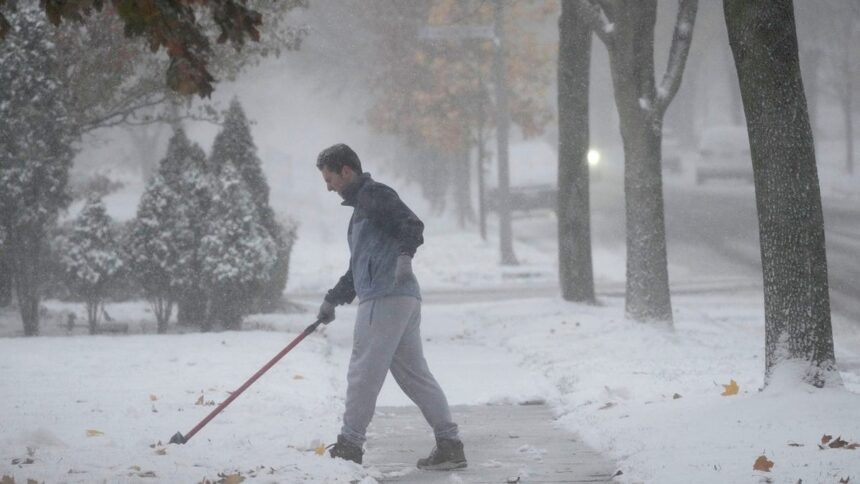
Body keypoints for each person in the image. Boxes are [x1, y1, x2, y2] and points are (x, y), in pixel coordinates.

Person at [316, 143, 467, 470]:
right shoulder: (362, 208)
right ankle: (450, 444)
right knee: (415, 376)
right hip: (402, 298)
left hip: (384, 296)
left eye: (330, 179)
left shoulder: (374, 196)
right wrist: (333, 299)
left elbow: (411, 224)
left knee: (363, 372)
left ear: (346, 171)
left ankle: (349, 445)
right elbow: (357, 267)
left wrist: (404, 257)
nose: (328, 187)